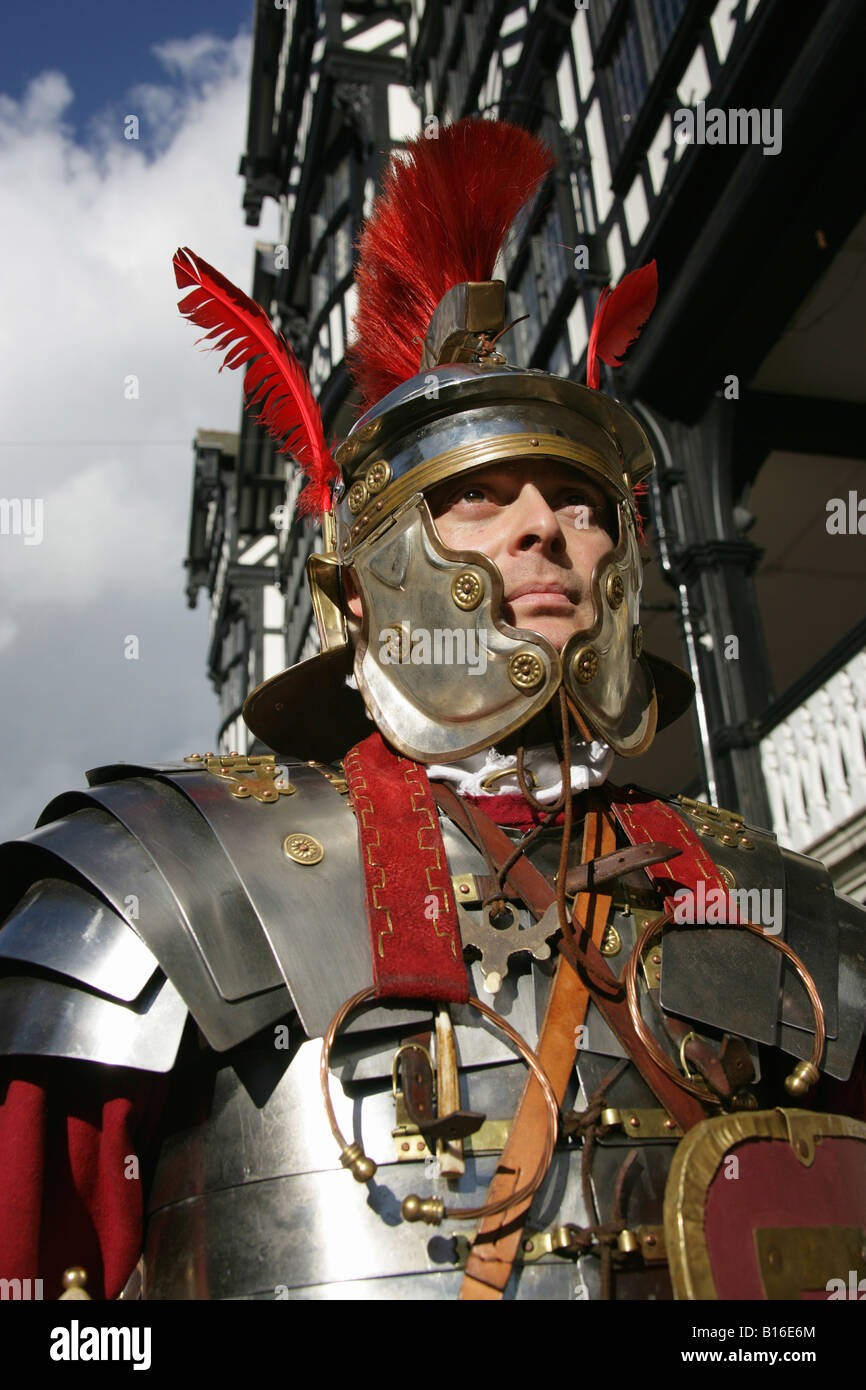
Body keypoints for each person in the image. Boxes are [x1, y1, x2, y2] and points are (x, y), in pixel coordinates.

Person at [0, 119, 863, 1304]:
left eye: (578, 499)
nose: (541, 527)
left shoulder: (771, 904)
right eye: (475, 497)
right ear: (357, 589)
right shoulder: (166, 875)